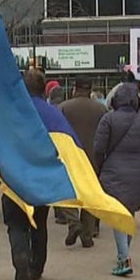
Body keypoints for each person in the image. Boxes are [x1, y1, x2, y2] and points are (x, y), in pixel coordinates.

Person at [1, 69, 59, 280]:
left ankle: (20, 259)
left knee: (16, 223)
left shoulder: (11, 113)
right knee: (39, 223)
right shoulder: (52, 113)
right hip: (41, 178)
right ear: (43, 89)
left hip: (14, 177)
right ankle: (37, 266)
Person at [94, 82, 140, 277]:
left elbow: (98, 148)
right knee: (128, 214)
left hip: (113, 171)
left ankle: (124, 257)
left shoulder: (108, 119)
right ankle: (125, 252)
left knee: (117, 216)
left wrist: (101, 166)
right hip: (137, 171)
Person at [58, 79, 108, 247]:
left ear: (74, 89)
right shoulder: (101, 109)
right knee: (90, 195)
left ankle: (73, 222)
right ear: (90, 90)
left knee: (66, 192)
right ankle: (87, 234)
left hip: (70, 157)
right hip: (93, 158)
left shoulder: (64, 108)